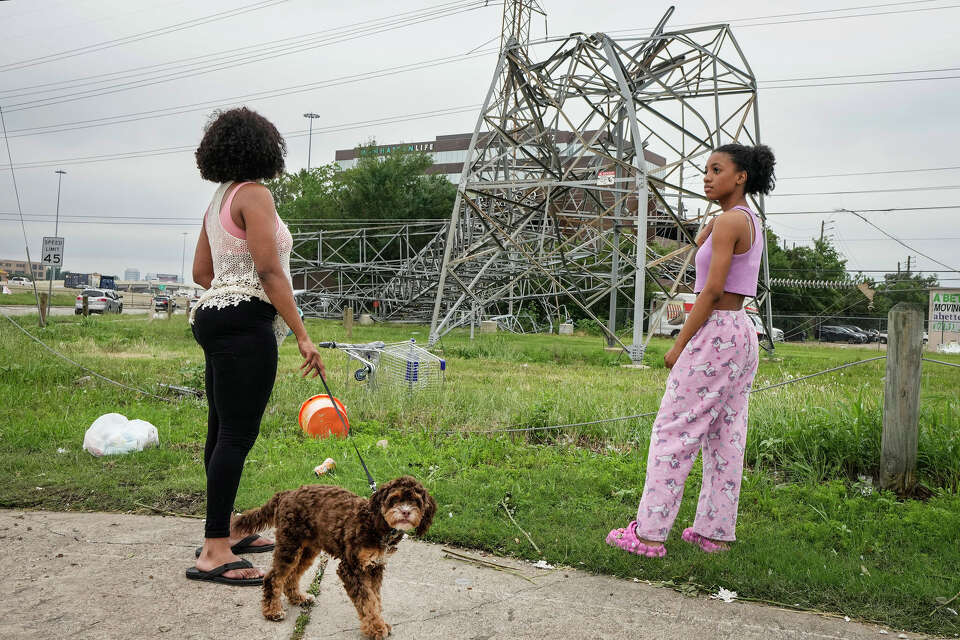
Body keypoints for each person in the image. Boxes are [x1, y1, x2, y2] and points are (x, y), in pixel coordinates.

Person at [606, 143, 776, 557]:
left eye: (717, 170)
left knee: (674, 430)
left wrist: (679, 345)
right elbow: (706, 248)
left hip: (716, 330)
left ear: (741, 177)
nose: (706, 177)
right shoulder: (746, 219)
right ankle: (714, 533)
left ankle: (648, 535)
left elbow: (712, 290)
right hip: (742, 331)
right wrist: (711, 225)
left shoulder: (728, 222)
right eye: (706, 170)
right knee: (726, 435)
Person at [185, 107, 326, 585]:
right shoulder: (255, 194)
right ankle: (214, 552)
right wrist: (302, 335)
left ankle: (226, 529)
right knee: (236, 435)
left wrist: (230, 290)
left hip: (213, 316)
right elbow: (268, 270)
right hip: (245, 322)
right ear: (264, 148)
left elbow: (201, 273)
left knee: (221, 429)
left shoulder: (218, 201)